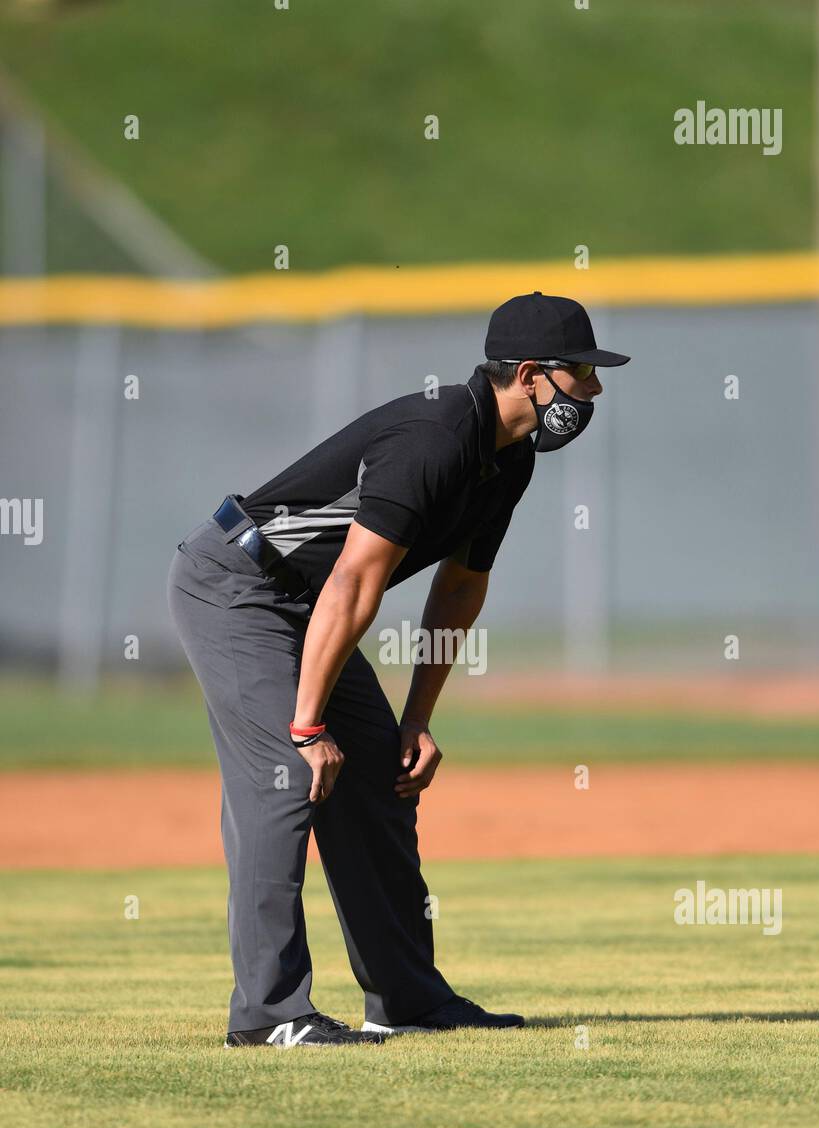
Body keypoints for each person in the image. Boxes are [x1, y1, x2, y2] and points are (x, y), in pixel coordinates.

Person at [167, 291, 629, 1047]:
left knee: (380, 777)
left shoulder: (507, 460)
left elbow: (460, 586)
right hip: (239, 588)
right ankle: (269, 1016)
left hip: (311, 603)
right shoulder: (435, 437)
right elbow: (355, 581)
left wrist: (417, 719)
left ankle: (407, 1001)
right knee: (290, 777)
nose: (595, 389)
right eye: (581, 373)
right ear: (527, 374)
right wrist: (308, 725)